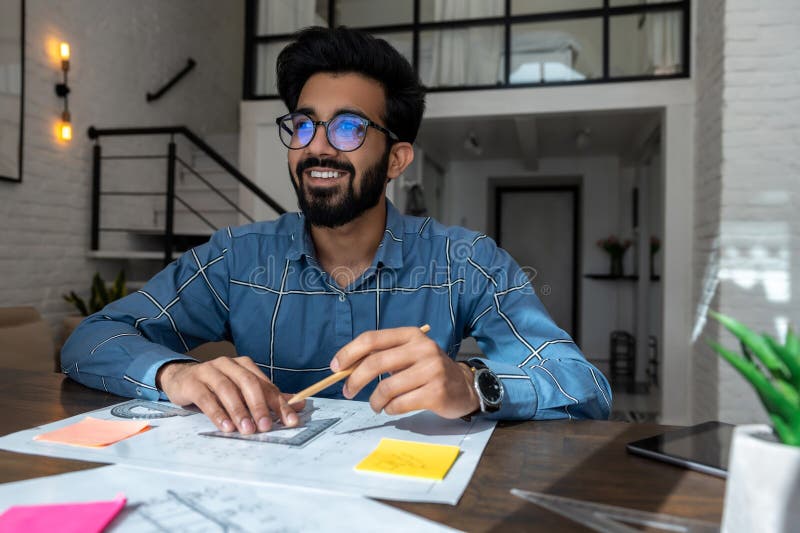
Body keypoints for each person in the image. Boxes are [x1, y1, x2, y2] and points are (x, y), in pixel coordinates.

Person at [62, 26, 611, 435]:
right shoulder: (234, 258)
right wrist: (173, 375)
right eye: (303, 124)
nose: (317, 146)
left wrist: (473, 386)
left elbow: (584, 385)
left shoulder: (465, 261)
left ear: (396, 159)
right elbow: (90, 340)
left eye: (348, 126)